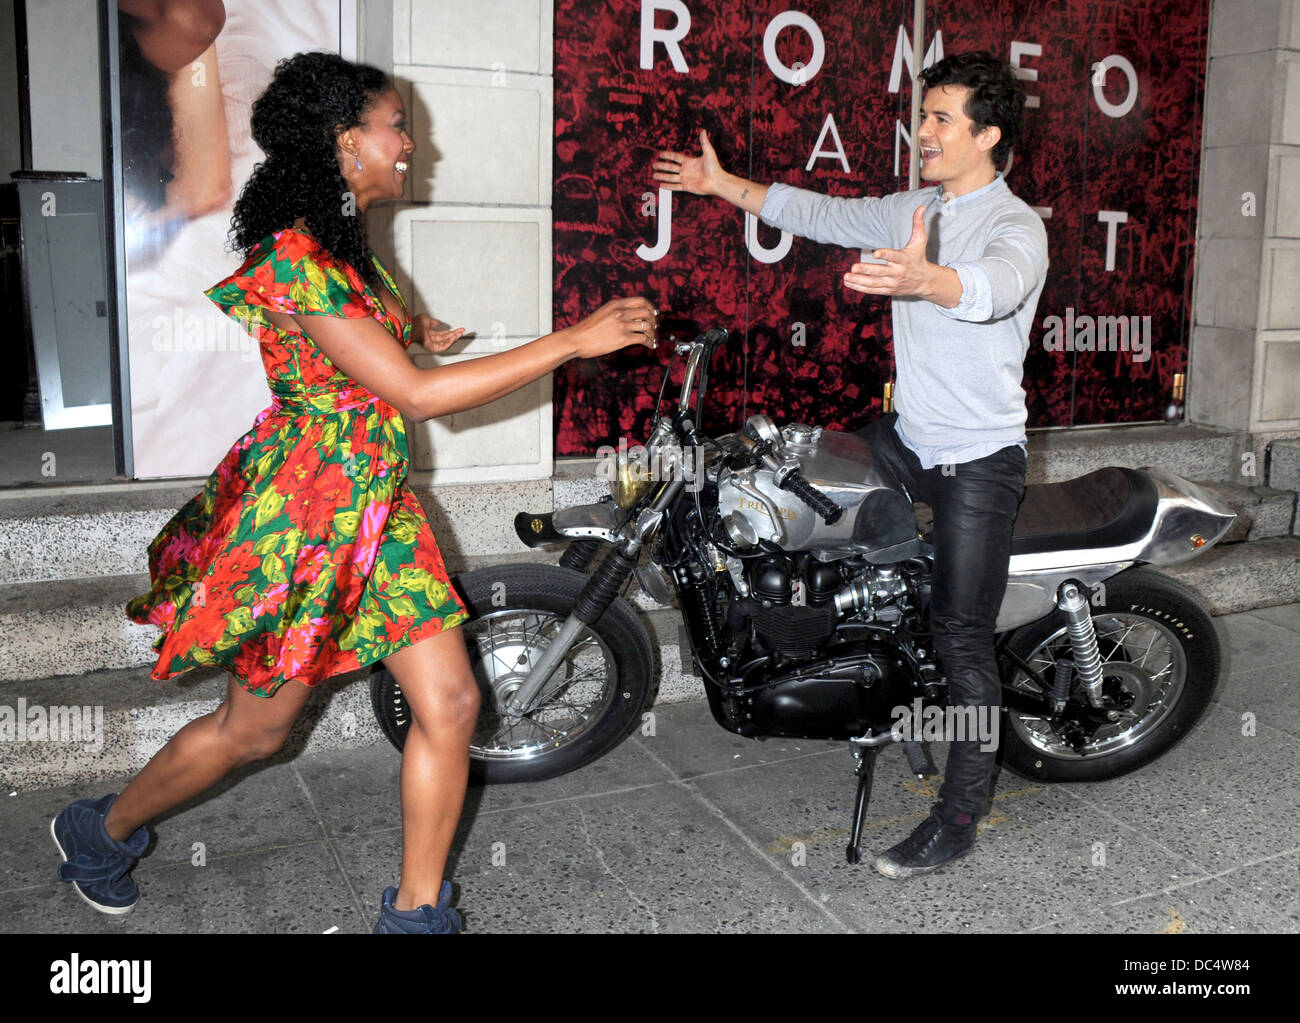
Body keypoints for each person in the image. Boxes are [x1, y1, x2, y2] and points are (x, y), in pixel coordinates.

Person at [51, 51, 657, 933]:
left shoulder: (339, 245)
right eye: (394, 125)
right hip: (308, 516)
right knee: (254, 732)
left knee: (450, 701)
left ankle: (416, 917)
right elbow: (409, 393)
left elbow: (376, 341)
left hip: (378, 509)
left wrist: (416, 328)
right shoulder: (298, 256)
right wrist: (572, 340)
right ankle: (100, 829)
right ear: (345, 143)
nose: (409, 144)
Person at [652, 52, 1047, 878]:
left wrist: (929, 277)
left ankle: (960, 816)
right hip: (907, 434)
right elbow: (827, 213)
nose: (924, 132)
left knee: (964, 640)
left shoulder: (1016, 225)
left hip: (980, 457)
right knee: (802, 498)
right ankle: (859, 679)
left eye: (942, 119)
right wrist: (725, 187)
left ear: (989, 135)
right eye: (924, 115)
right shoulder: (919, 205)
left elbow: (996, 288)